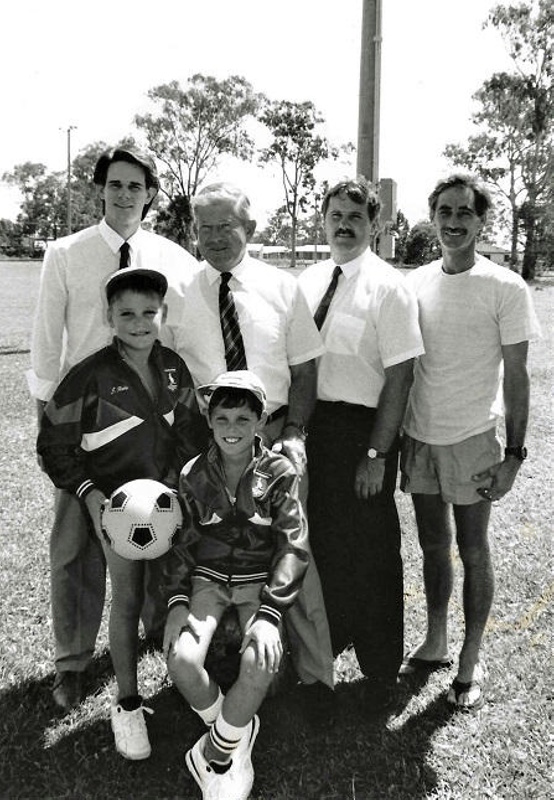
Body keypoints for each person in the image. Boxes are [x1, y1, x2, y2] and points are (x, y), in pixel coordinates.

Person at [27, 145, 199, 711]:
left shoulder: (173, 257)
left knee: (155, 532)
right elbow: (48, 340)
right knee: (77, 549)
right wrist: (45, 414)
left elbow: (176, 341)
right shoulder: (65, 253)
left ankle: (152, 632)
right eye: (116, 184)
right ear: (100, 189)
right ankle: (72, 661)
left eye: (137, 185)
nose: (126, 194)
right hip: (86, 428)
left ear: (151, 192)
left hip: (147, 426)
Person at [167, 182, 334, 692]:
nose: (215, 238)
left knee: (291, 548)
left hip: (275, 438)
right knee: (209, 551)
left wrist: (296, 434)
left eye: (226, 226)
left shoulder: (283, 287)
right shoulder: (178, 291)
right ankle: (205, 658)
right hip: (208, 440)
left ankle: (314, 676)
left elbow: (305, 370)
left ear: (251, 229)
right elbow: (170, 369)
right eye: (205, 228)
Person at [37, 266, 207, 759]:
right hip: (119, 513)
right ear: (109, 317)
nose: (138, 322)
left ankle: (189, 681)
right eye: (127, 314)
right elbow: (53, 446)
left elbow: (192, 432)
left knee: (183, 588)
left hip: (170, 504)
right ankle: (128, 703)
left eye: (148, 313)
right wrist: (90, 495)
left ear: (163, 315)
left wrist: (179, 484)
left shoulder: (174, 367)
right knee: (128, 600)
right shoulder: (88, 376)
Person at [399, 173, 541, 710]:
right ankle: (436, 640)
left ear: (481, 221)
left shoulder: (505, 287)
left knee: (472, 548)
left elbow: (518, 376)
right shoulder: (415, 283)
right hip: (420, 438)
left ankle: (470, 656)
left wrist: (514, 455)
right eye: (445, 211)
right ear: (432, 217)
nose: (454, 222)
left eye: (465, 212)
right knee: (433, 547)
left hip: (473, 439)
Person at [298, 177, 424, 712]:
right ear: (323, 222)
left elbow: (400, 379)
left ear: (375, 225)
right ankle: (321, 665)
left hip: (365, 433)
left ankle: (379, 674)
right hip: (316, 431)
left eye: (356, 216)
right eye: (335, 216)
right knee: (321, 550)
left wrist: (376, 455)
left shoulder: (389, 286)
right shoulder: (307, 280)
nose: (344, 225)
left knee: (372, 555)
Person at [163, 370, 310, 799]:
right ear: (208, 420)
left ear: (262, 421)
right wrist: (176, 603)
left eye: (243, 419)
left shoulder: (279, 472)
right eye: (222, 419)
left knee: (261, 660)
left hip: (258, 583)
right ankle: (236, 736)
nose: (232, 429)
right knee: (181, 660)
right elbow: (180, 546)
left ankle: (213, 753)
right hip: (208, 582)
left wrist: (269, 614)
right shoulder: (192, 474)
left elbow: (293, 544)